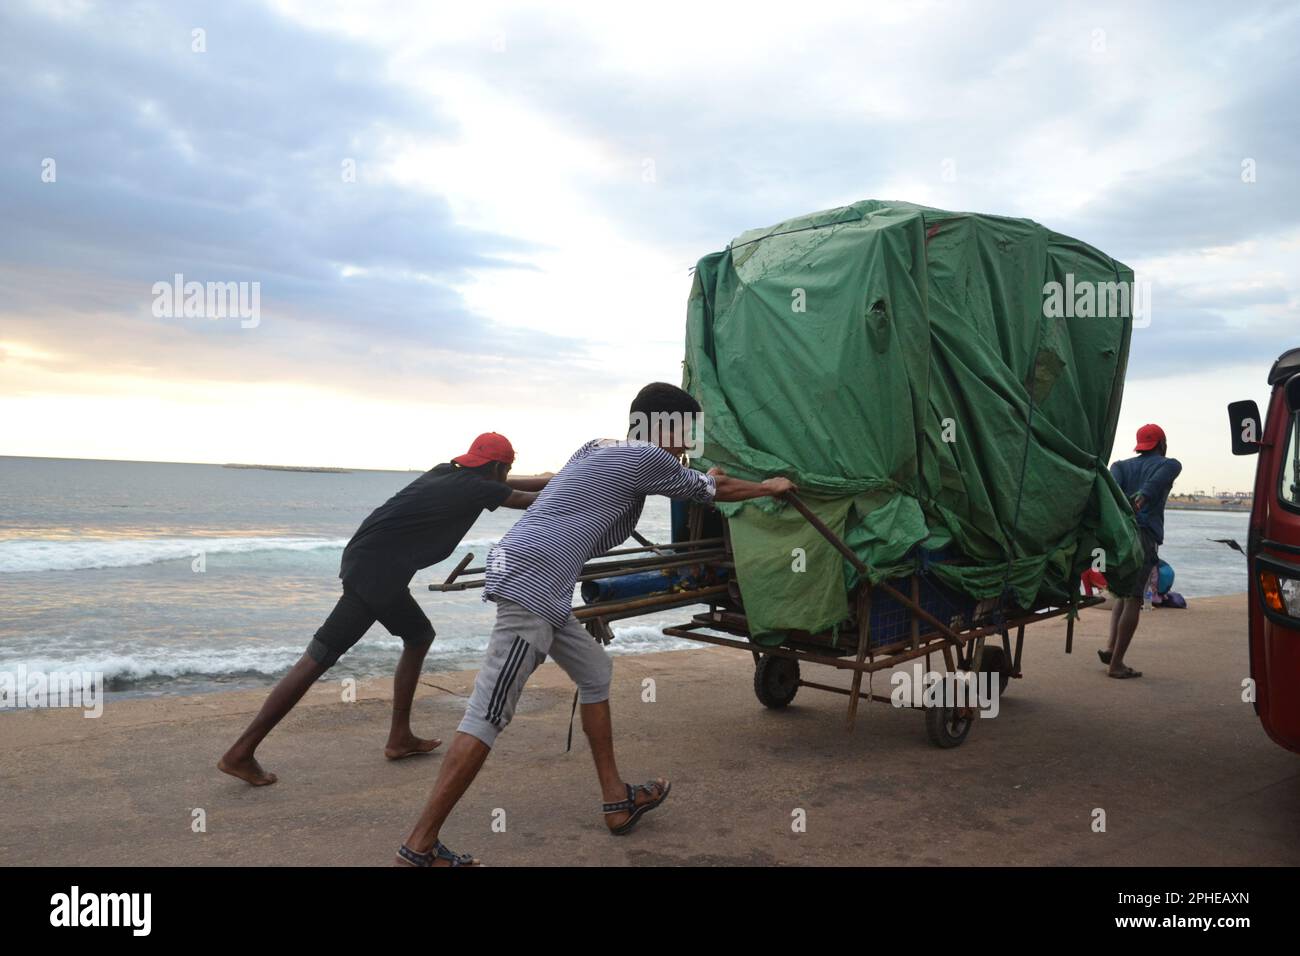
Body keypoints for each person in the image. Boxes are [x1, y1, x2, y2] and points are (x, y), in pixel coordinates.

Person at [395, 383, 797, 866]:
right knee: (488, 713)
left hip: (541, 578)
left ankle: (616, 800)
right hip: (533, 585)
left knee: (594, 672)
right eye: (687, 431)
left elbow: (608, 485)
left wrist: (701, 479)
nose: (690, 442)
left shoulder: (600, 447)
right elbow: (716, 491)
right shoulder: (649, 457)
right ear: (663, 426)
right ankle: (418, 847)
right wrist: (769, 486)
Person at [219, 433, 547, 786]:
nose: (507, 474)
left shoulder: (447, 473)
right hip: (375, 573)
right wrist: (577, 487)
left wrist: (557, 477)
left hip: (371, 563)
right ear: (496, 467)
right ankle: (241, 751)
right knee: (318, 657)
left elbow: (514, 485)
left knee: (419, 636)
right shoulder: (478, 488)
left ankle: (399, 737)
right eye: (506, 468)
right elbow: (523, 498)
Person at [1102, 423, 1182, 679]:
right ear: (1162, 444)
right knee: (1135, 598)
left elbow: (1110, 493)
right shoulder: (1168, 464)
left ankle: (1110, 647)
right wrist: (1141, 498)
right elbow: (1155, 485)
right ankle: (1116, 664)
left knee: (1122, 593)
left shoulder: (1120, 466)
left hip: (1118, 537)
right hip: (1143, 536)